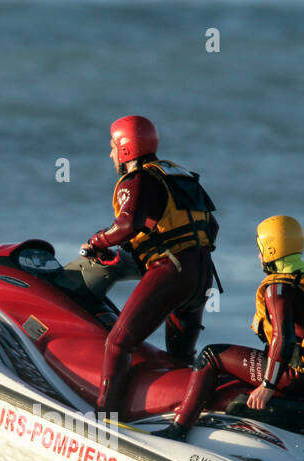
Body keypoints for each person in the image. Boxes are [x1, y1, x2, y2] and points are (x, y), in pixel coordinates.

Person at [156, 215, 304, 441]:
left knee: (210, 356)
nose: (258, 255)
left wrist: (267, 386)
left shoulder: (278, 288)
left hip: (300, 379)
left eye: (261, 248)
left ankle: (179, 429)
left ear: (271, 250)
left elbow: (283, 340)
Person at [80, 115, 220, 414]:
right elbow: (213, 227)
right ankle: (184, 416)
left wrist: (98, 242)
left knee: (118, 343)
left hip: (170, 273)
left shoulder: (138, 179)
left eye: (113, 147)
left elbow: (128, 224)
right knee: (180, 358)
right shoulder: (180, 175)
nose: (110, 154)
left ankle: (106, 419)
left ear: (125, 148)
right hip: (202, 275)